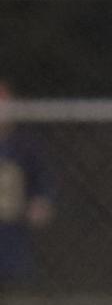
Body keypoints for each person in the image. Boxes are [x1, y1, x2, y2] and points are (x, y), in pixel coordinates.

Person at [0, 81, 53, 290]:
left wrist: (42, 200)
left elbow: (42, 177)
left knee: (12, 271)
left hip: (11, 221)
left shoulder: (23, 145)